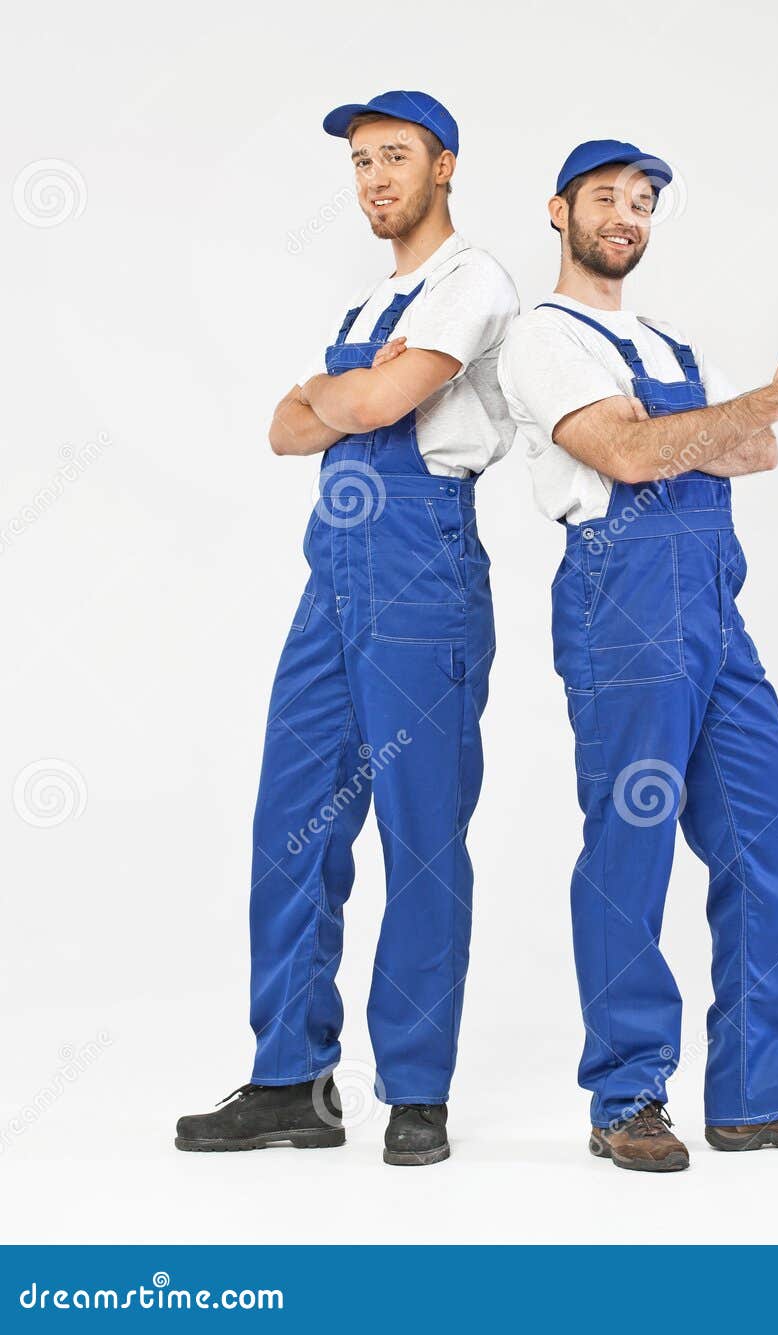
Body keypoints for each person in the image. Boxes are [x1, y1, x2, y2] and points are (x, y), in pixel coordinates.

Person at [496, 139, 778, 1172]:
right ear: (559, 211)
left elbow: (754, 451)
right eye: (606, 197)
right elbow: (627, 452)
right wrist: (749, 406)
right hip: (624, 605)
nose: (626, 214)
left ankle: (755, 1091)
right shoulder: (542, 337)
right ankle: (627, 1098)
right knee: (633, 849)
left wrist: (731, 419)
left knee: (769, 839)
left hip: (712, 606)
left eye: (644, 201)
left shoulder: (664, 341)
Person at [175, 91, 519, 1168]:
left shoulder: (475, 281)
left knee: (420, 838)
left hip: (422, 576)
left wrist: (339, 396)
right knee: (292, 824)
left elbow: (366, 410)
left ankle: (417, 1091)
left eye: (395, 158)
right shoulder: (374, 308)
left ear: (444, 166)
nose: (375, 179)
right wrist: (346, 392)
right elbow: (287, 431)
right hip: (331, 582)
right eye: (362, 162)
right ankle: (291, 1079)